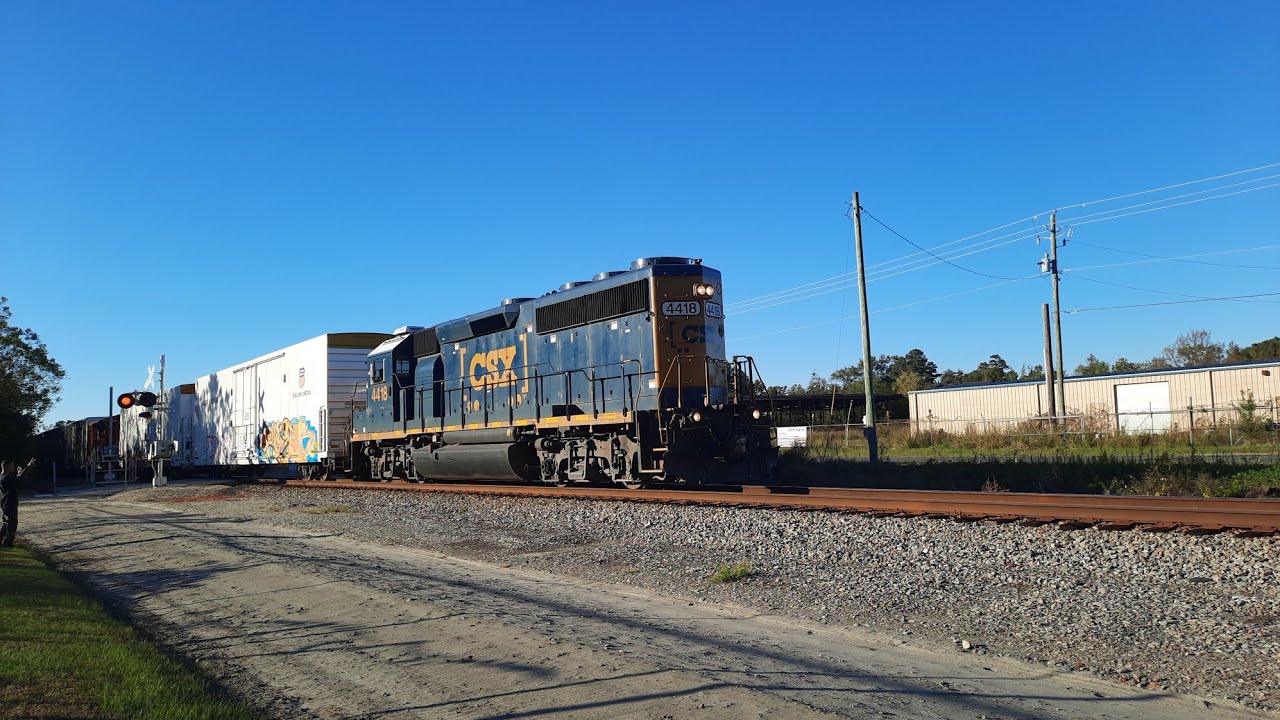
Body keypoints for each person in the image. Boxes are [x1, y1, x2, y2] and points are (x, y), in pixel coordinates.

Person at [0, 458, 35, 548]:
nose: (13, 467)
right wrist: (27, 468)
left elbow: (16, 481)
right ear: (7, 467)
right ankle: (8, 543)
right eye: (12, 466)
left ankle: (2, 539)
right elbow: (18, 480)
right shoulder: (6, 478)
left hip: (6, 503)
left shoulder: (3, 477)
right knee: (12, 524)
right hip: (9, 504)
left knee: (6, 523)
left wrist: (20, 473)